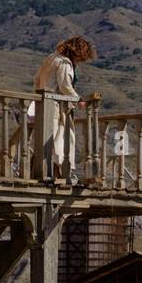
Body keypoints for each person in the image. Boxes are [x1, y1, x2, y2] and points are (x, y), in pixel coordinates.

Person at [29, 36, 96, 179]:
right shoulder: (64, 62)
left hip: (44, 103)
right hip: (54, 105)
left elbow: (37, 79)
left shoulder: (51, 58)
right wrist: (78, 99)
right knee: (57, 138)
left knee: (45, 138)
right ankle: (54, 172)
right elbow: (65, 85)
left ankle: (42, 171)